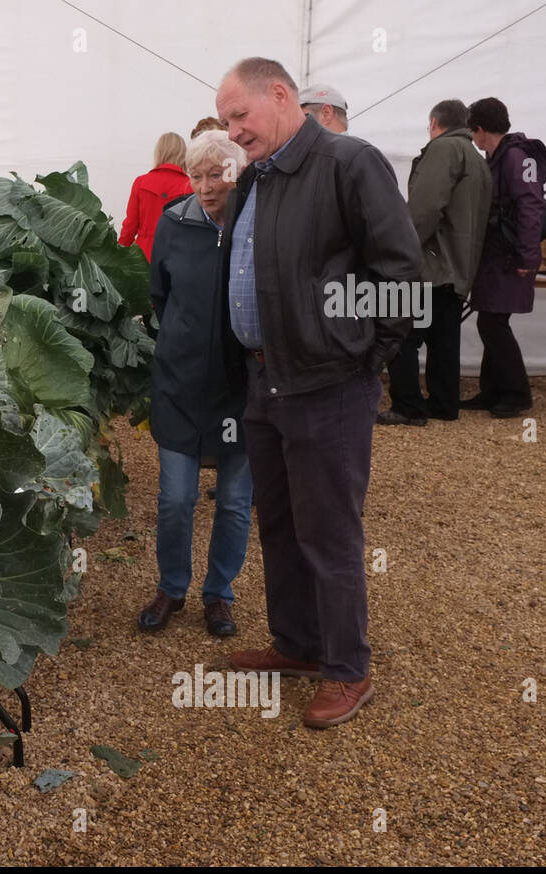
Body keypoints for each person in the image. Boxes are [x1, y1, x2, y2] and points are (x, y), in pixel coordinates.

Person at [214, 57, 422, 729]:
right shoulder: (258, 179)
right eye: (225, 122)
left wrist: (362, 354)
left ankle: (348, 668)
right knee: (278, 523)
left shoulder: (347, 163)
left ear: (282, 96)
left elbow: (401, 274)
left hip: (326, 382)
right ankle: (299, 645)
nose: (233, 131)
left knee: (330, 531)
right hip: (264, 379)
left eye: (240, 116)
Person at [137, 131, 252, 638]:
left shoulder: (255, 227)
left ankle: (219, 594)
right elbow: (160, 295)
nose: (206, 186)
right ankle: (172, 587)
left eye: (217, 175)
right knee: (176, 498)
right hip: (179, 385)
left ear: (237, 175)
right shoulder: (173, 223)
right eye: (197, 175)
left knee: (232, 502)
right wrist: (184, 339)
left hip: (240, 389)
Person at [378, 99, 492, 425]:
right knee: (444, 341)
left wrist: (401, 251)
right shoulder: (477, 159)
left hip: (431, 265)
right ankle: (444, 404)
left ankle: (408, 407)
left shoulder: (443, 150)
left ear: (433, 123)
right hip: (458, 268)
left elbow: (425, 209)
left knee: (400, 335)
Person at [462, 97, 546, 418]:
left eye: (472, 131)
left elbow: (530, 207)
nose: (472, 139)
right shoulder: (500, 157)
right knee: (491, 317)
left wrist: (528, 258)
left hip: (511, 256)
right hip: (498, 255)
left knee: (492, 321)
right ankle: (492, 391)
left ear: (480, 129)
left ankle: (516, 394)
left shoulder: (515, 157)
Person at [118, 132, 191, 261]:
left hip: (144, 256)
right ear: (183, 155)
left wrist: (119, 253)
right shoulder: (190, 186)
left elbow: (130, 226)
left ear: (159, 152)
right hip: (178, 255)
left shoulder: (141, 183)